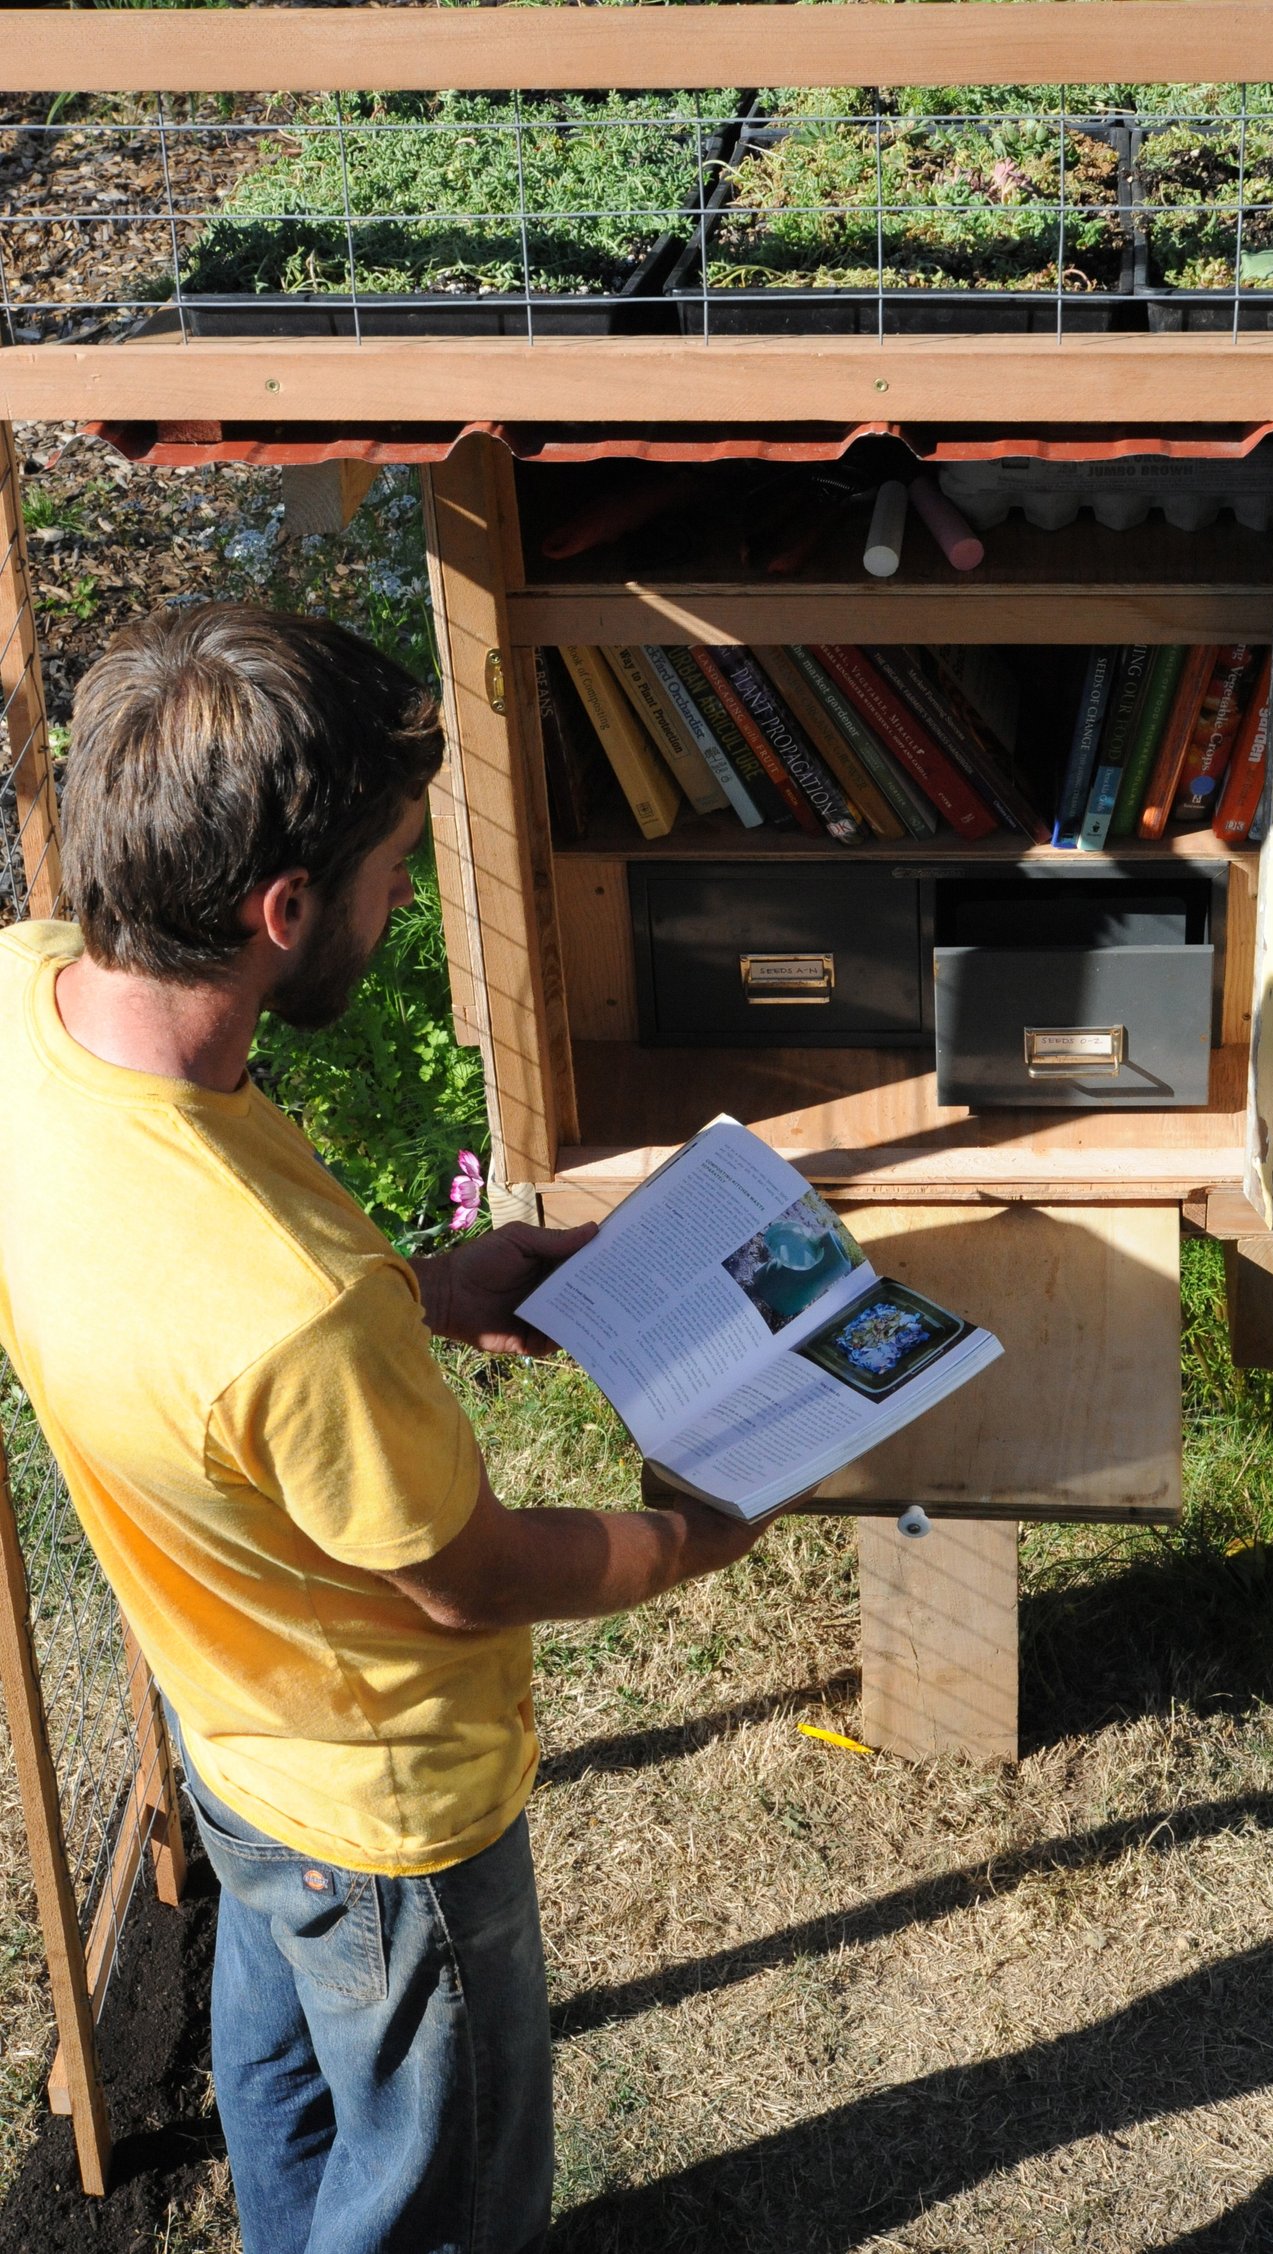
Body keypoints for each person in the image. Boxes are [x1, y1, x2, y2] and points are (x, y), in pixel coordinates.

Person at [0, 603, 772, 2254]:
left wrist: (422, 1285)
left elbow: (180, 1303)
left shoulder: (24, 1005)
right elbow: (472, 1577)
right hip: (392, 1806)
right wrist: (697, 1536)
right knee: (440, 2191)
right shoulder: (293, 1309)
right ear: (284, 911)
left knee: (285, 2080)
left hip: (234, 1724)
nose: (404, 898)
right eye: (393, 867)